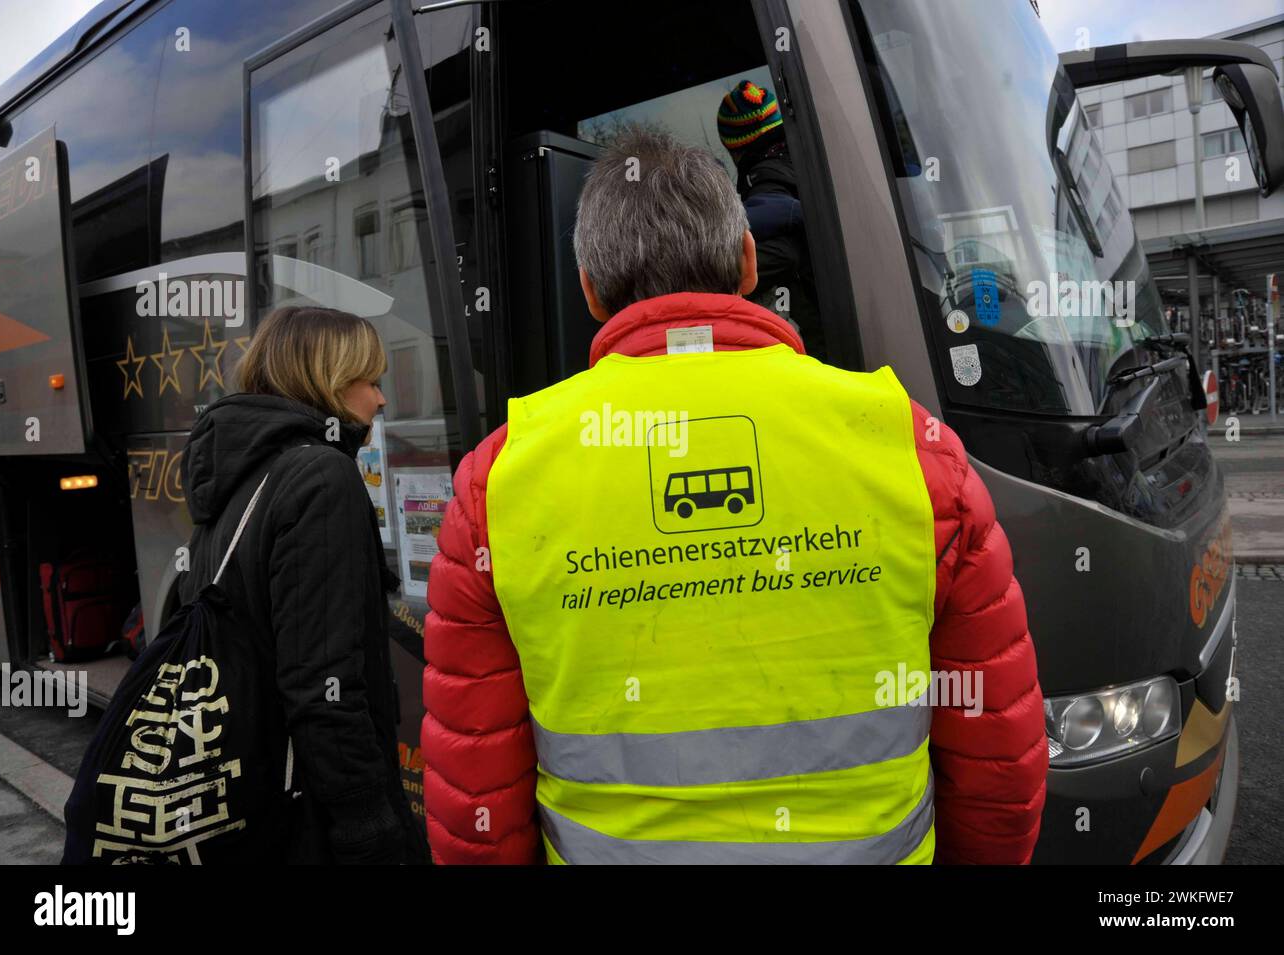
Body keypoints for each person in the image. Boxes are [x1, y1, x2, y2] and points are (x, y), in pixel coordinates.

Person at [422, 128, 1047, 865]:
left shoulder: (497, 484)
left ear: (589, 289)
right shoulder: (914, 451)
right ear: (748, 262)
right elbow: (997, 760)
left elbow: (476, 804)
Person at [178, 305, 418, 864]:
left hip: (244, 781)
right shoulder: (322, 476)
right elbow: (323, 686)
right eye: (371, 380)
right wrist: (371, 828)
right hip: (303, 809)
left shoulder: (242, 467)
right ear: (327, 380)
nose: (381, 400)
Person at [717, 78, 822, 357]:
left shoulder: (766, 179)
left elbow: (784, 254)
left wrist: (713, 276)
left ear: (737, 150)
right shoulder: (805, 165)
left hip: (813, 333)